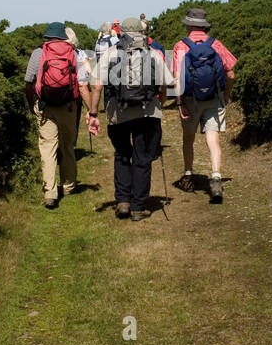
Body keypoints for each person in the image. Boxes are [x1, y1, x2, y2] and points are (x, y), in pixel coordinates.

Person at [88, 16, 170, 222]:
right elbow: (165, 85)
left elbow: (96, 86)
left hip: (118, 113)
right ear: (142, 32)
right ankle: (137, 206)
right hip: (147, 113)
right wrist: (161, 103)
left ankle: (123, 201)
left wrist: (93, 113)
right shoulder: (154, 54)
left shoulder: (110, 53)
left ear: (121, 32)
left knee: (122, 154)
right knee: (142, 158)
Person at [24, 22, 93, 209]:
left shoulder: (38, 53)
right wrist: (90, 110)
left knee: (48, 149)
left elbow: (28, 84)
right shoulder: (72, 52)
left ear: (47, 36)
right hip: (68, 107)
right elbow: (81, 84)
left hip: (45, 106)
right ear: (63, 37)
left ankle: (50, 192)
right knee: (68, 146)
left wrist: (32, 106)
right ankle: (69, 186)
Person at [172, 7, 237, 203]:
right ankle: (216, 177)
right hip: (214, 99)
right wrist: (226, 95)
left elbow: (177, 78)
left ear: (189, 25)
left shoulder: (180, 46)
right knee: (213, 139)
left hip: (191, 98)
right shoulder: (216, 44)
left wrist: (180, 102)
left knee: (188, 138)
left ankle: (189, 174)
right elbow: (231, 73)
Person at [65, 27, 92, 141]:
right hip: (72, 99)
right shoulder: (79, 53)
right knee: (72, 126)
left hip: (51, 97)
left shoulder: (47, 51)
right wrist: (91, 109)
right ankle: (70, 150)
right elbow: (83, 82)